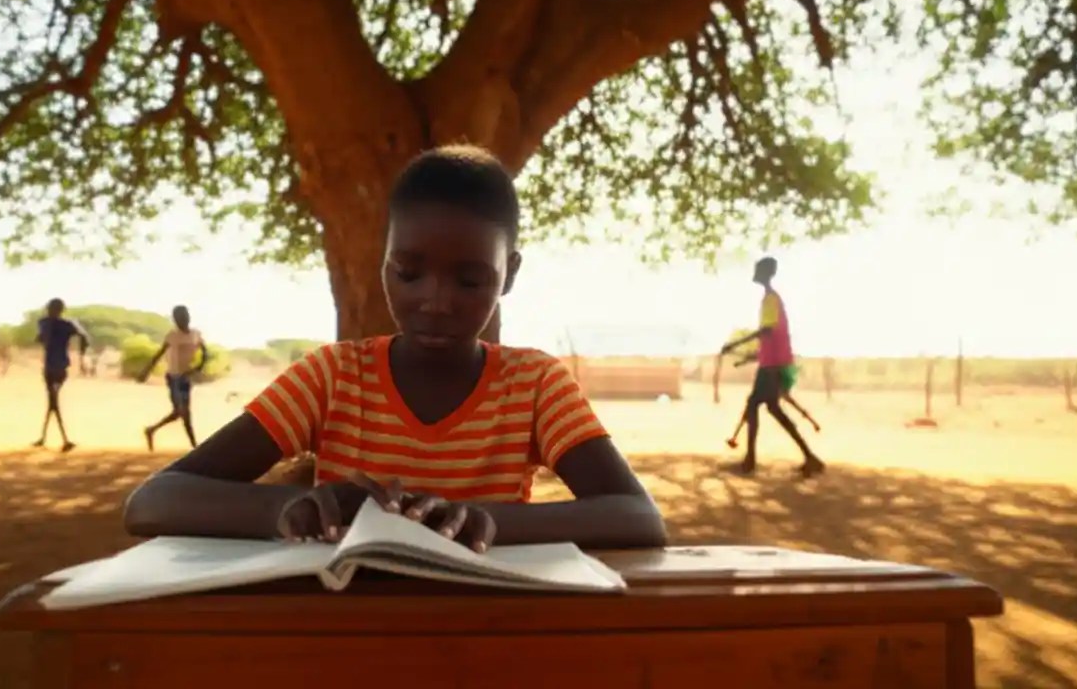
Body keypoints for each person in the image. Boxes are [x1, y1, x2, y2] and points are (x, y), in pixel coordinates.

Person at [122, 145, 667, 552]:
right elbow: (154, 501)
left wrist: (477, 519)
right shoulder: (333, 378)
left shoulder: (534, 385)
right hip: (347, 640)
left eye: (470, 281)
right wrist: (299, 506)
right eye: (408, 273)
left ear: (510, 275)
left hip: (486, 635)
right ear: (383, 261)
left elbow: (638, 518)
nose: (434, 300)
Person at [720, 257, 825, 477]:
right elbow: (772, 338)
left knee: (755, 406)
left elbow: (767, 332)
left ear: (764, 273)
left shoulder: (770, 300)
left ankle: (750, 461)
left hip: (772, 367)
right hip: (773, 364)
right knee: (772, 410)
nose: (754, 272)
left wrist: (736, 344)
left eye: (757, 269)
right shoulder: (772, 299)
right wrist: (750, 355)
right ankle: (809, 457)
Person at [138, 305, 208, 451]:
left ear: (188, 317)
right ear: (175, 320)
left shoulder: (196, 334)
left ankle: (151, 430)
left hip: (185, 378)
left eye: (184, 316)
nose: (181, 320)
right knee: (184, 413)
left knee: (179, 413)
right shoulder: (172, 336)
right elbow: (159, 354)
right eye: (178, 318)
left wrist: (198, 367)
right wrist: (146, 371)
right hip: (174, 377)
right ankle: (195, 447)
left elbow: (205, 352)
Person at [725, 352, 820, 448]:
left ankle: (734, 437)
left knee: (751, 408)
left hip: (771, 387)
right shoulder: (777, 362)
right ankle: (734, 437)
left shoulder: (778, 366)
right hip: (772, 386)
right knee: (750, 409)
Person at [34, 298, 90, 452]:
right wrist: (81, 356)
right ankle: (54, 439)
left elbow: (40, 338)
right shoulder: (64, 324)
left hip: (56, 367)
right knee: (52, 403)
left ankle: (58, 439)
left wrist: (81, 357)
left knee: (53, 403)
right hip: (54, 366)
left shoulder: (49, 323)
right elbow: (84, 337)